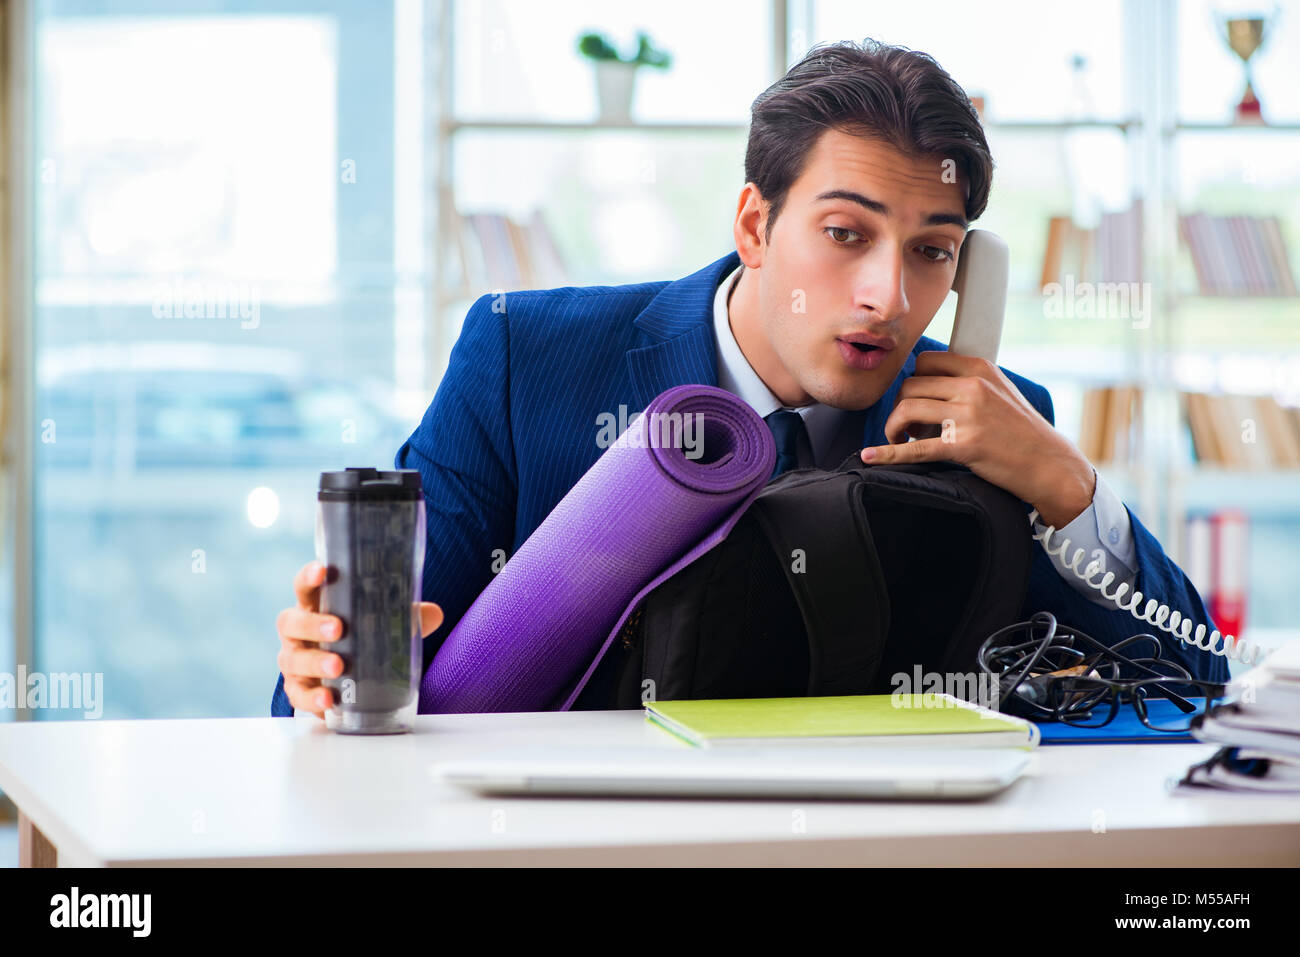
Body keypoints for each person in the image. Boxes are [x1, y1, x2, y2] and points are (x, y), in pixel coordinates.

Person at [273, 39, 1228, 719]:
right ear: (755, 226)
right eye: (846, 234)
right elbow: (349, 686)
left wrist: (1070, 488)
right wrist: (325, 667)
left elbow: (1189, 681)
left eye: (932, 251)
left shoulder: (994, 428)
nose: (889, 296)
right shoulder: (525, 357)